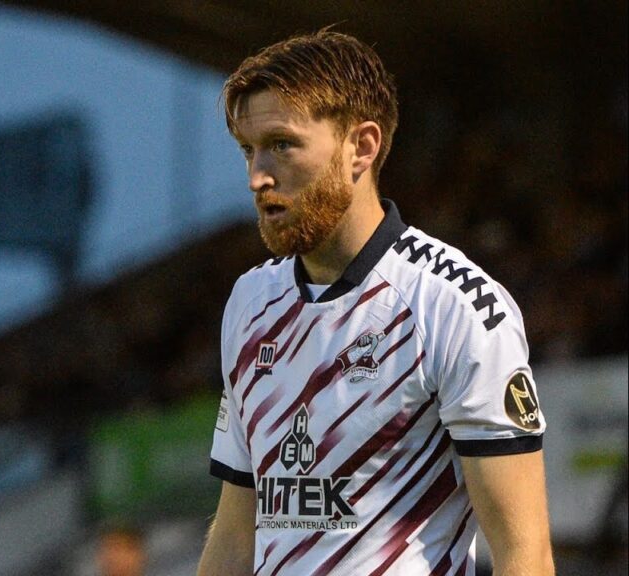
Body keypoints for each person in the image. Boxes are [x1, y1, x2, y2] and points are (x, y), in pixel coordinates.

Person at [197, 30, 554, 576]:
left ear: (361, 146)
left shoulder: (456, 306)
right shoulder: (250, 301)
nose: (257, 177)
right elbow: (234, 535)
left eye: (282, 144)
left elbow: (523, 552)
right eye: (249, 150)